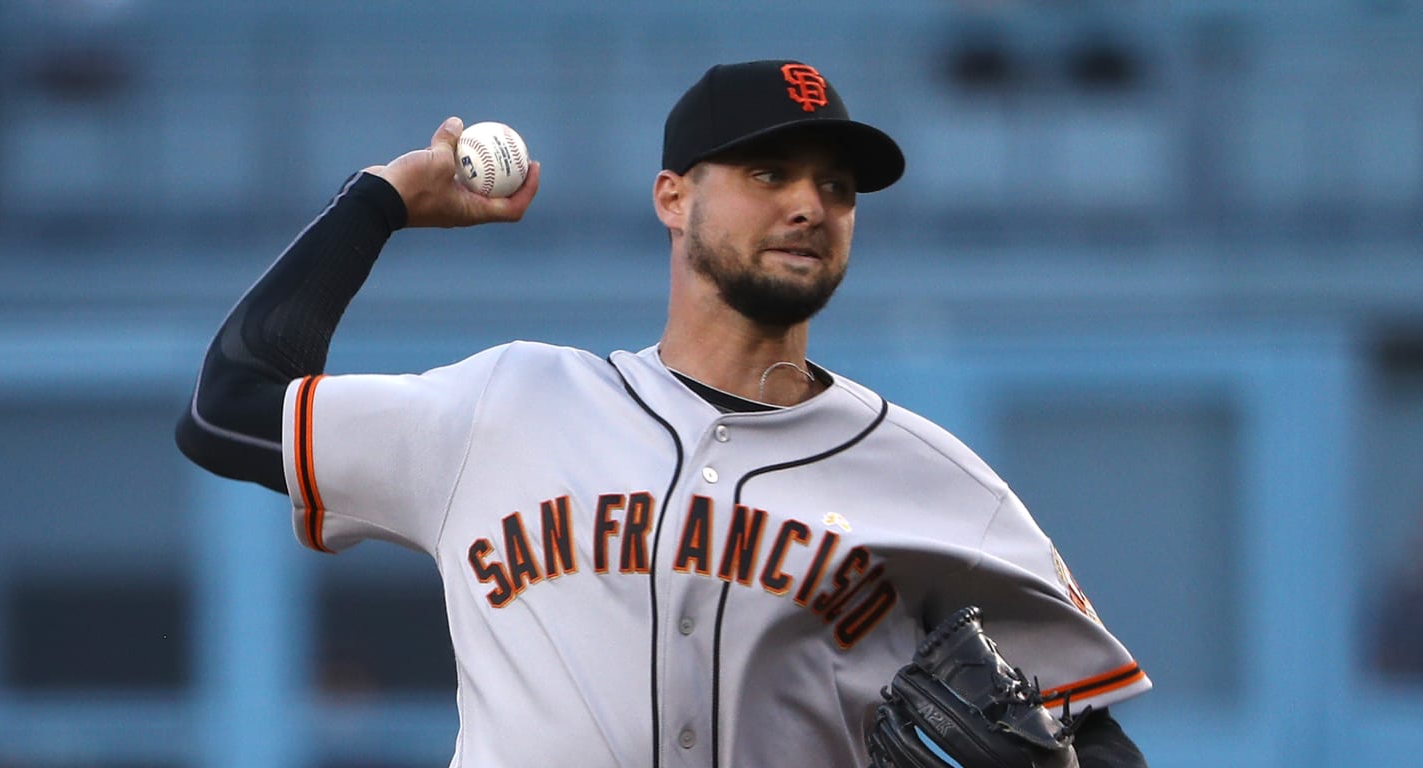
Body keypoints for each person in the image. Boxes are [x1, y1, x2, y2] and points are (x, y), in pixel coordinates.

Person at [176, 59, 1152, 767]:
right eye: (769, 174)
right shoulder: (505, 408)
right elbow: (229, 407)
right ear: (672, 199)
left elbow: (1095, 737)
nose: (810, 204)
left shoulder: (939, 484)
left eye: (838, 186)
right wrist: (378, 200)